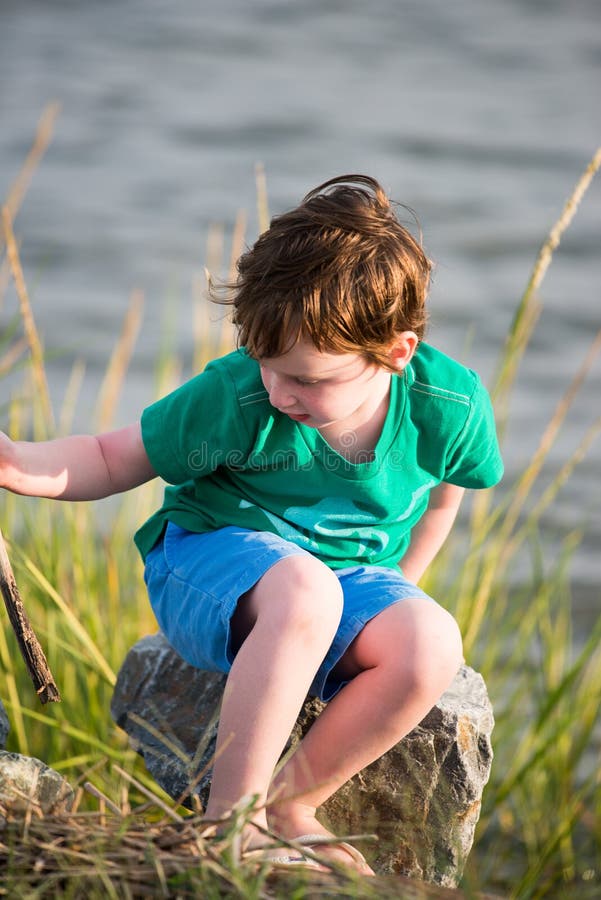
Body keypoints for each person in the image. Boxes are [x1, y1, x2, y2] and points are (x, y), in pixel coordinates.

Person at [0, 175, 503, 874]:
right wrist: (17, 464)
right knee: (304, 591)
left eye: (307, 379)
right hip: (209, 565)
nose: (280, 391)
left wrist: (400, 587)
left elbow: (445, 493)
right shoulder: (238, 393)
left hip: (344, 580)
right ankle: (226, 827)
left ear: (396, 351)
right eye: (268, 366)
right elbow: (111, 456)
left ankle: (288, 806)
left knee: (428, 642)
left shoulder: (448, 406)